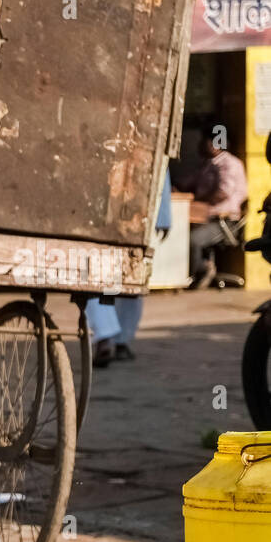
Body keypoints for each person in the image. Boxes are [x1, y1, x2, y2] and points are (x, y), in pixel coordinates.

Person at [86, 169, 170, 367]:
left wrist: (163, 215)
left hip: (116, 212)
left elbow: (161, 167)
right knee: (125, 276)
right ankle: (119, 339)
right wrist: (163, 217)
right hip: (127, 213)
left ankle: (108, 336)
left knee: (98, 275)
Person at [174, 121, 247, 287]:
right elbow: (190, 182)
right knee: (179, 231)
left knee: (192, 240)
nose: (200, 145)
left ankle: (201, 271)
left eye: (204, 140)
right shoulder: (209, 164)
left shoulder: (229, 164)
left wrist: (200, 201)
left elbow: (223, 192)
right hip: (207, 217)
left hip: (224, 221)